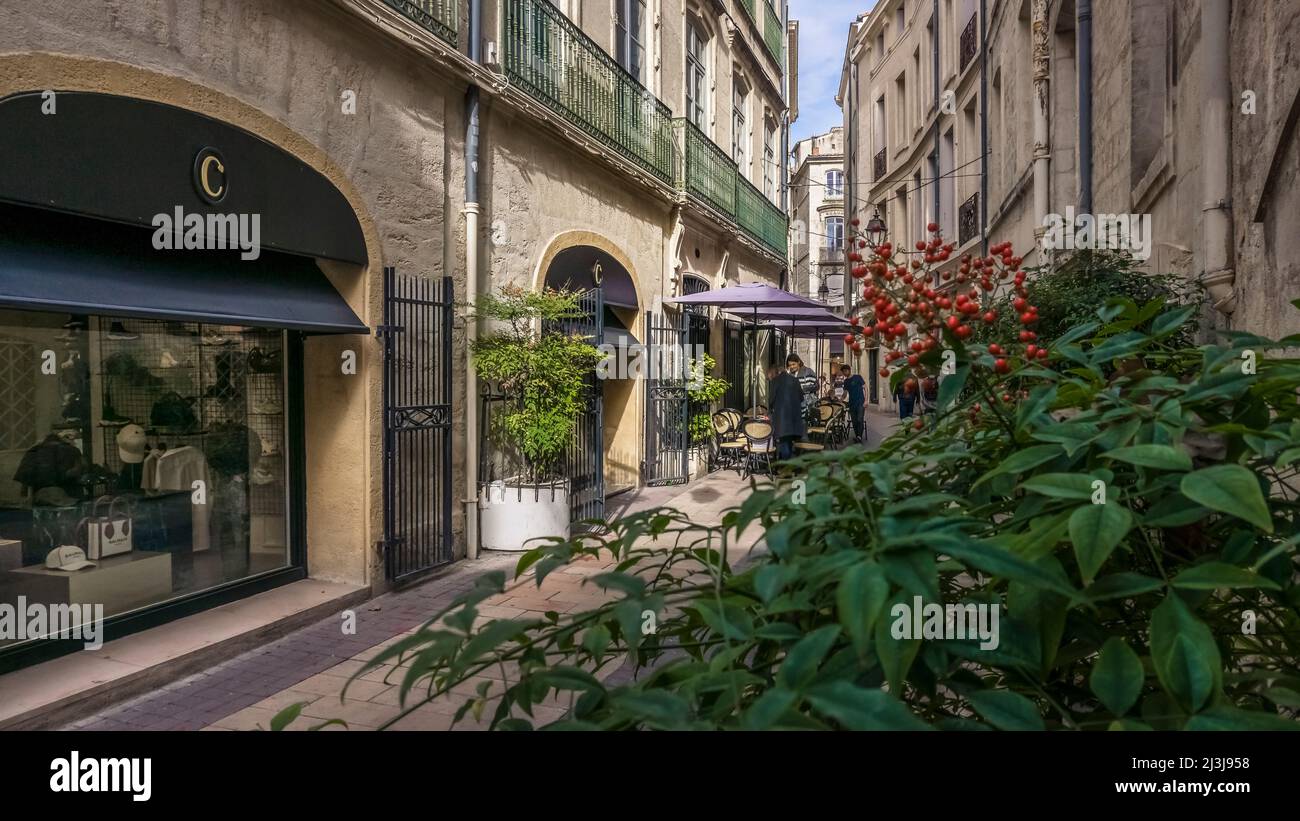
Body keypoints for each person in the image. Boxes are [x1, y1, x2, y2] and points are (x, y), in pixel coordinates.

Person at [770, 356, 807, 459]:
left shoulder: (775, 381)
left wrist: (772, 408)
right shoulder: (795, 380)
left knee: (783, 442)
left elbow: (771, 400)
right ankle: (787, 465)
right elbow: (801, 397)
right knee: (789, 442)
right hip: (794, 418)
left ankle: (785, 467)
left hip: (781, 418)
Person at [789, 354, 819, 425]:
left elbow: (817, 386)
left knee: (805, 426)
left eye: (793, 364)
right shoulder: (790, 374)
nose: (792, 366)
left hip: (808, 405)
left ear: (798, 362)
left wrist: (804, 388)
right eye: (790, 365)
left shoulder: (808, 371)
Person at [841, 364, 866, 444]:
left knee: (859, 419)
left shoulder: (858, 377)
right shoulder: (846, 381)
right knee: (854, 421)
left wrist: (866, 400)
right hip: (851, 403)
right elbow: (845, 393)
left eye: (845, 371)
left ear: (849, 370)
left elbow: (865, 388)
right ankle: (857, 436)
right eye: (843, 372)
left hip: (860, 402)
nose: (844, 373)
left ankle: (859, 437)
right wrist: (840, 399)